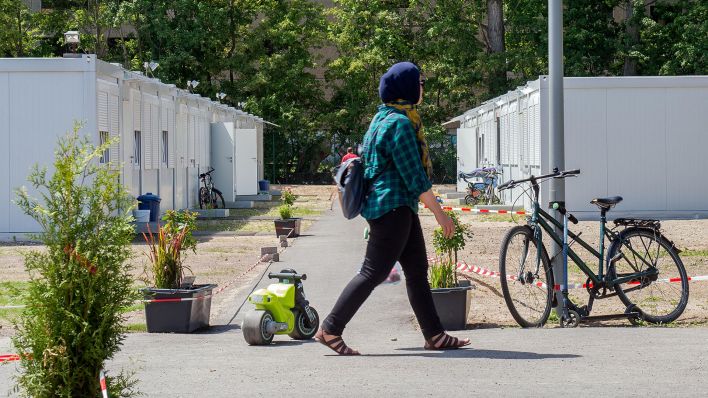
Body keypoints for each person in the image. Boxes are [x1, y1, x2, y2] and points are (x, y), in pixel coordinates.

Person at [315, 62, 471, 355]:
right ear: (407, 89)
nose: (422, 88)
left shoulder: (381, 119)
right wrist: (440, 214)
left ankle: (434, 335)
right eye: (420, 83)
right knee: (372, 272)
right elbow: (415, 176)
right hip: (393, 207)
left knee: (416, 270)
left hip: (397, 207)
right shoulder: (399, 124)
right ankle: (330, 329)